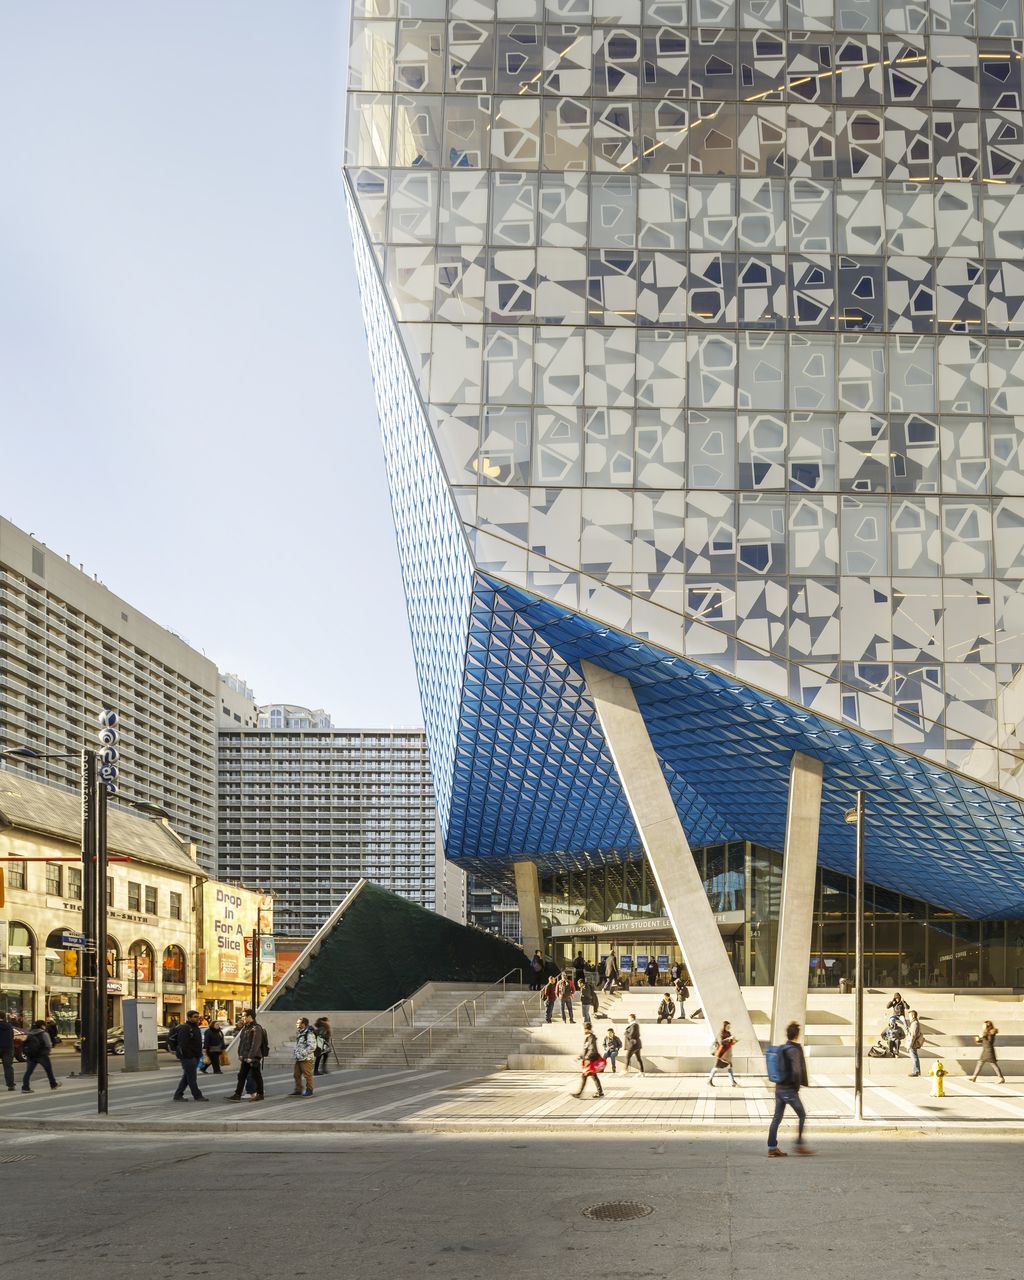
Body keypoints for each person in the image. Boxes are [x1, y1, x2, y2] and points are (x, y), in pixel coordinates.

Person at [767, 1021, 811, 1157]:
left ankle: (772, 1148)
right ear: (797, 1035)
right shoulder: (794, 1050)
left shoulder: (781, 1048)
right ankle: (799, 1145)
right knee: (802, 1115)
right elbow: (797, 1071)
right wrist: (796, 1087)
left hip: (779, 1088)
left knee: (777, 1118)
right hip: (789, 1090)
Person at [227, 1008, 268, 1102]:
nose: (242, 1018)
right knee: (241, 1075)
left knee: (256, 1076)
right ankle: (237, 1095)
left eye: (244, 1016)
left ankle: (260, 1094)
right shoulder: (246, 1028)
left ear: (250, 1017)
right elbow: (242, 1043)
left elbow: (255, 1044)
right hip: (245, 1057)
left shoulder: (256, 1028)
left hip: (253, 1058)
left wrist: (250, 1057)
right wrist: (241, 1054)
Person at [169, 1010, 208, 1102]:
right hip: (188, 1057)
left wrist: (199, 1054)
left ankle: (178, 1095)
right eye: (195, 1017)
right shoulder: (186, 1028)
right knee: (192, 1078)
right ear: (189, 1018)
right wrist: (189, 1055)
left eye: (198, 1017)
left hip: (195, 1056)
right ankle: (197, 1096)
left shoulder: (196, 1028)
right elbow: (183, 1045)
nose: (197, 1019)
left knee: (187, 1077)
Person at [20, 1021, 61, 1093]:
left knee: (28, 1072)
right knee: (49, 1071)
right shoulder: (44, 1033)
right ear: (42, 1026)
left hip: (31, 1055)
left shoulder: (29, 1034)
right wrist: (48, 1050)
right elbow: (48, 1044)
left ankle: (25, 1087)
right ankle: (53, 1084)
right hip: (42, 1055)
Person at [571, 1023, 605, 1099]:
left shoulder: (591, 1038)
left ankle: (579, 1093)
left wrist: (586, 1057)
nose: (583, 1030)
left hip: (590, 1061)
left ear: (586, 1029)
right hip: (588, 1060)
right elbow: (585, 1050)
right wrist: (580, 1057)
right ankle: (600, 1092)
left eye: (584, 1029)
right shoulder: (588, 1038)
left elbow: (592, 1050)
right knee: (593, 1076)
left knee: (585, 1076)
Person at [291, 1017, 317, 1096]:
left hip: (306, 1058)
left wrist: (303, 1053)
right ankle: (298, 1090)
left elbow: (312, 1046)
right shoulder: (300, 1033)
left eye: (298, 1023)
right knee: (296, 1074)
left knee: (307, 1074)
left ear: (303, 1024)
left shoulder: (309, 1033)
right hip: (299, 1058)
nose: (297, 1024)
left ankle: (309, 1089)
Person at [708, 1021, 738, 1087]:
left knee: (730, 1067)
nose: (729, 1027)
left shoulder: (729, 1033)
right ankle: (709, 1080)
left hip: (727, 1054)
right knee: (716, 1068)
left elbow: (730, 1043)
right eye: (728, 1026)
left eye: (729, 1026)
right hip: (721, 1054)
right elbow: (721, 1042)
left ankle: (732, 1081)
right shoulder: (721, 1033)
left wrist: (734, 1041)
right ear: (724, 1026)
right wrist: (729, 1038)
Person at [0, 1014, 15, 1091]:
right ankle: (11, 1085)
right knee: (8, 1067)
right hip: (8, 1048)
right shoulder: (9, 1026)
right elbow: (12, 1036)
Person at [906, 1009, 923, 1078]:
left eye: (909, 1016)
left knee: (914, 1057)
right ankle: (916, 1071)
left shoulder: (914, 1023)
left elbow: (913, 1035)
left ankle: (916, 1071)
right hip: (913, 1043)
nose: (909, 1017)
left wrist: (909, 1045)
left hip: (913, 1043)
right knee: (914, 1057)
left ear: (913, 1016)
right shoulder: (914, 1023)